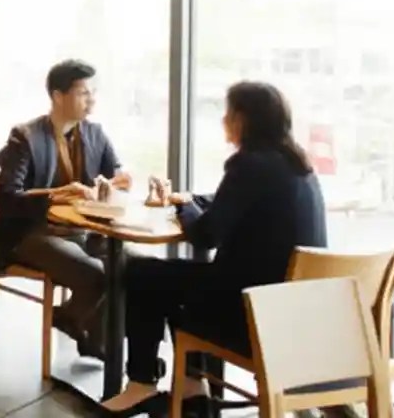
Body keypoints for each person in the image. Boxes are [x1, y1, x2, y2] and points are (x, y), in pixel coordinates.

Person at [101, 82, 327, 415]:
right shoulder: (296, 165)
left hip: (250, 311)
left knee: (143, 273)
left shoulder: (248, 164)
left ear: (243, 120)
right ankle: (192, 385)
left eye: (228, 113)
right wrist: (190, 200)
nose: (224, 121)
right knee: (177, 285)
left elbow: (206, 236)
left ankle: (141, 384)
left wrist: (182, 205)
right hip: (295, 311)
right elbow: (233, 203)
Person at [0, 59, 133, 358]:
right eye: (84, 93)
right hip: (32, 233)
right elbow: (5, 198)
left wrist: (119, 182)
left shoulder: (95, 134)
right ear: (58, 96)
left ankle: (74, 321)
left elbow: (115, 173)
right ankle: (86, 332)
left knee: (133, 267)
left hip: (85, 231)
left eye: (93, 92)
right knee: (96, 274)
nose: (91, 100)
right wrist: (56, 194)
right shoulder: (25, 137)